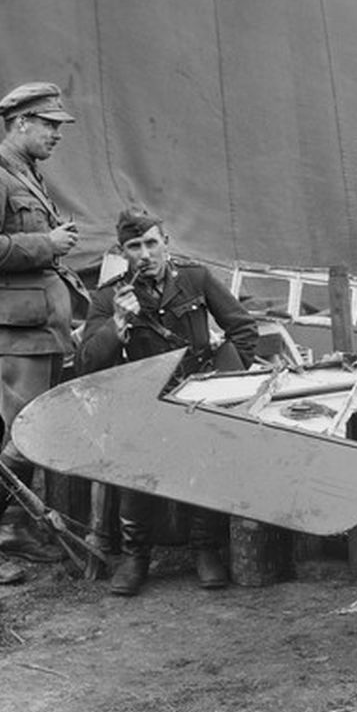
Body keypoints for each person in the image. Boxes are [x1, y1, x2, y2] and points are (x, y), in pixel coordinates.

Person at [77, 206, 259, 595]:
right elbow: (87, 363)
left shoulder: (195, 279)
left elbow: (243, 329)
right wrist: (118, 322)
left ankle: (205, 548)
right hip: (143, 402)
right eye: (134, 247)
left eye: (151, 243)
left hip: (197, 396)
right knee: (134, 464)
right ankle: (136, 556)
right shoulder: (109, 296)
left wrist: (222, 384)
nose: (145, 254)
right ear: (123, 252)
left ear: (166, 243)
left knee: (206, 460)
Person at [0, 82, 89, 584]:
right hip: (11, 329)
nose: (57, 134)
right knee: (24, 434)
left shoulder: (27, 175)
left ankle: (13, 527)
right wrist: (47, 242)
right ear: (21, 123)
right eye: (49, 124)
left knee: (30, 432)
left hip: (38, 325)